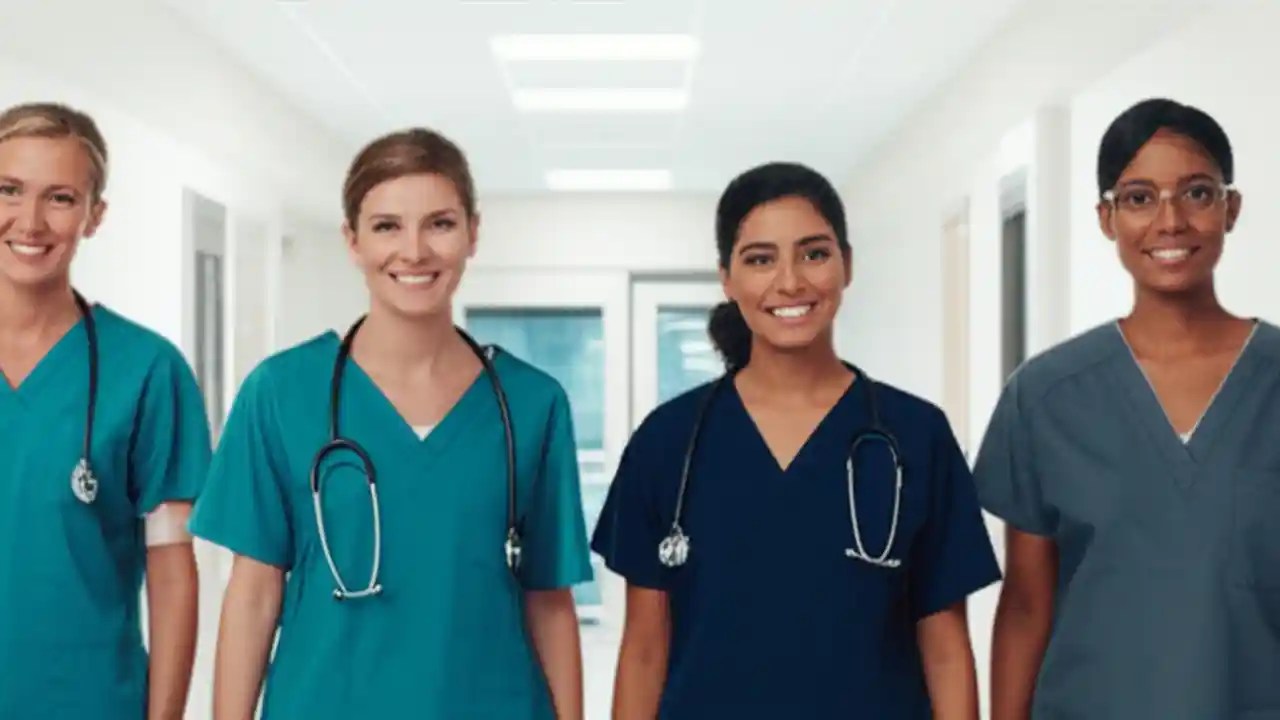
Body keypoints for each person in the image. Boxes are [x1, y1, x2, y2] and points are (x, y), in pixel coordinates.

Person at [189, 127, 593, 719]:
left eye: (440, 223)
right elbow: (252, 593)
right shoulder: (280, 393)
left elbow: (549, 600)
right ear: (352, 241)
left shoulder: (532, 404)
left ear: (473, 233)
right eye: (387, 226)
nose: (414, 251)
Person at [591, 161, 1001, 718]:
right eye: (760, 259)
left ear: (847, 264)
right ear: (726, 277)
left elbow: (947, 650)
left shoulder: (915, 435)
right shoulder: (668, 442)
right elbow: (643, 651)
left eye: (814, 254)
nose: (790, 282)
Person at [976, 97, 1280, 718]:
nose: (1171, 221)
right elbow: (1027, 606)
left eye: (1197, 193)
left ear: (1231, 208)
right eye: (1139, 198)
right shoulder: (1045, 397)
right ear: (1106, 218)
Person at [0, 102, 211, 718]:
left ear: (94, 215)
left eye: (60, 198)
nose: (30, 221)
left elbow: (171, 569)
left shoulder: (146, 370)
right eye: (9, 190)